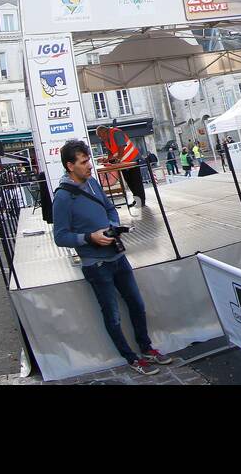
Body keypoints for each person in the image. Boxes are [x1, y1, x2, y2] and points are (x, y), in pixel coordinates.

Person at [51, 139, 174, 376]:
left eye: (89, 161)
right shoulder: (63, 197)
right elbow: (60, 236)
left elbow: (109, 208)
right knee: (113, 315)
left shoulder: (94, 183)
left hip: (117, 256)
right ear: (70, 166)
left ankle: (146, 348)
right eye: (84, 162)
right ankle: (131, 358)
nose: (89, 166)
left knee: (137, 304)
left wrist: (113, 226)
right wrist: (90, 238)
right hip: (95, 265)